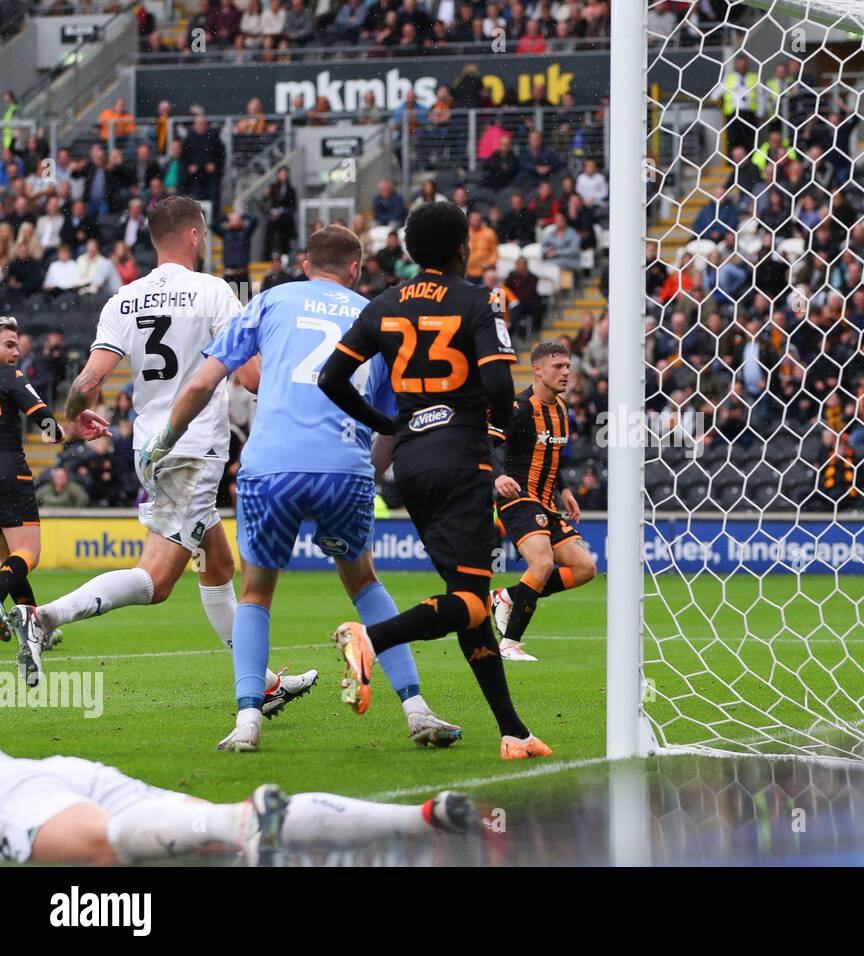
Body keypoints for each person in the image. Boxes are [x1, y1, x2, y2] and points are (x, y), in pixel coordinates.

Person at [144, 226, 459, 753]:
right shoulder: (376, 313)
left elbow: (202, 383)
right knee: (364, 584)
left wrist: (162, 444)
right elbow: (390, 422)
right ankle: (416, 709)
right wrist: (368, 471)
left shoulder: (272, 300)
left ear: (304, 263)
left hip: (272, 469)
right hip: (344, 467)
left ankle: (247, 723)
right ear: (355, 268)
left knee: (256, 593)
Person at [9, 197, 316, 718]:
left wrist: (76, 417)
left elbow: (87, 381)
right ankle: (44, 618)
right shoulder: (214, 292)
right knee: (157, 580)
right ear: (195, 236)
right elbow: (250, 375)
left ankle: (261, 684)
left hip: (151, 448)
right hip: (193, 450)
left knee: (218, 563)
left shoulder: (123, 299)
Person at [316, 201, 551, 760]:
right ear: (462, 248)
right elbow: (497, 384)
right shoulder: (478, 300)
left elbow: (332, 378)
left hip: (413, 463)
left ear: (410, 251)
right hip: (462, 458)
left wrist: (390, 422)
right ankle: (370, 638)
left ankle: (513, 731)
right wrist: (502, 428)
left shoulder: (384, 303)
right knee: (471, 600)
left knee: (466, 602)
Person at [0, 748, 473, 866]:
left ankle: (244, 819)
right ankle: (421, 817)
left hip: (11, 788)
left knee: (106, 843)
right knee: (208, 832)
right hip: (48, 770)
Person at [489, 341, 597, 662]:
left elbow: (550, 456)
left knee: (584, 568)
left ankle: (507, 596)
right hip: (518, 498)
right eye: (558, 366)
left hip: (548, 502)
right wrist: (497, 476)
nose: (566, 372)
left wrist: (563, 490)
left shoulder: (563, 411)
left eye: (567, 366)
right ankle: (509, 643)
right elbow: (489, 445)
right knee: (542, 563)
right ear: (537, 369)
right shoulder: (519, 407)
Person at [0, 318, 95, 660]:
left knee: (7, 560)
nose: (16, 350)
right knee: (29, 554)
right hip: (9, 472)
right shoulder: (10, 375)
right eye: (9, 345)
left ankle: (34, 628)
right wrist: (71, 431)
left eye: (17, 344)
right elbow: (46, 425)